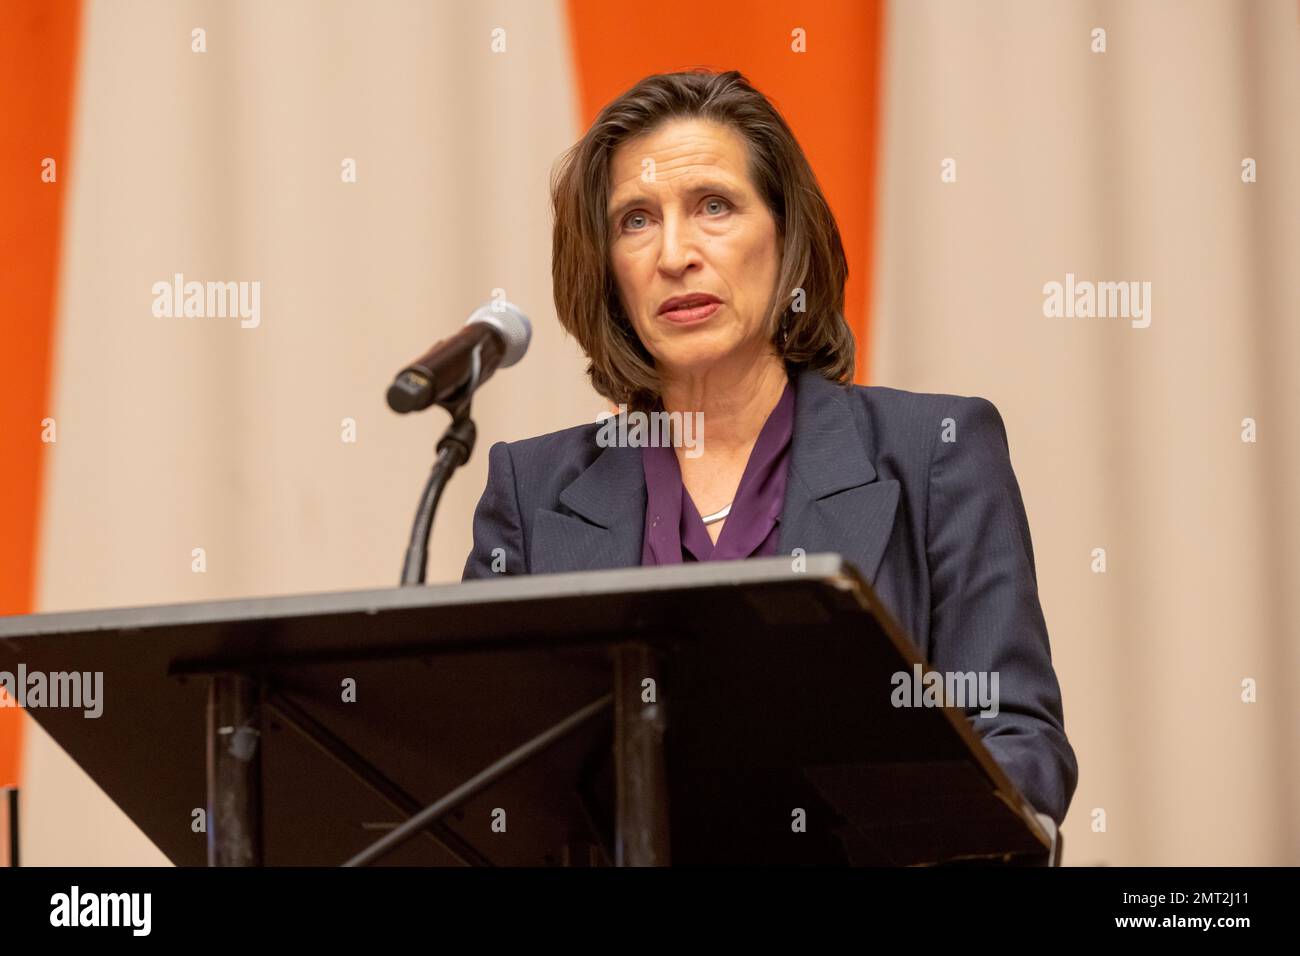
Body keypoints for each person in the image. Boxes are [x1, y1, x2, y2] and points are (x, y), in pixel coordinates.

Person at [462, 69, 1077, 838]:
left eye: (713, 206)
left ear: (786, 235)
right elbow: (487, 791)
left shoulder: (938, 454)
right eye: (636, 220)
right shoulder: (532, 492)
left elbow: (1018, 744)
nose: (675, 253)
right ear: (608, 270)